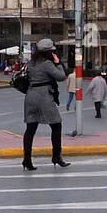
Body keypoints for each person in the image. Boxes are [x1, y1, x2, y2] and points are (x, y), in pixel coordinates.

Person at [22, 38, 69, 171]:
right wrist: (58, 63)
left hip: (30, 96)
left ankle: (27, 159)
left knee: (30, 129)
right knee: (56, 125)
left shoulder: (31, 63)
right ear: (48, 52)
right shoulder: (47, 64)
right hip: (44, 97)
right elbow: (61, 77)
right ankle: (56, 156)